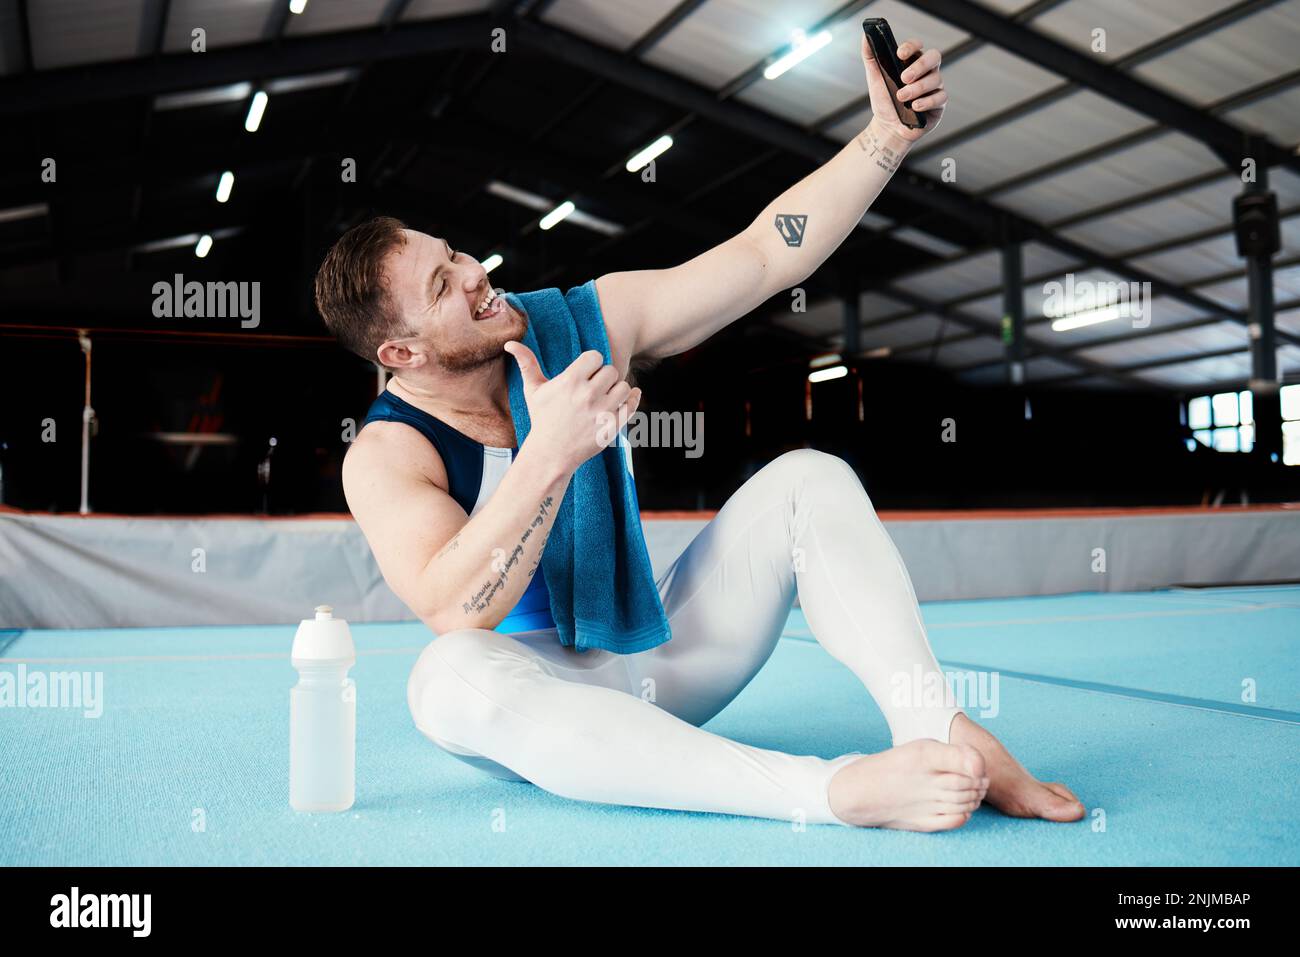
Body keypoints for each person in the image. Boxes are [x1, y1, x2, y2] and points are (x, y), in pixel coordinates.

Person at [314, 35, 1084, 829]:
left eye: (454, 253)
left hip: (658, 663)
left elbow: (760, 258)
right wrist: (548, 454)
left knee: (809, 481)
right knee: (443, 678)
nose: (475, 271)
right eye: (444, 284)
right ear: (400, 353)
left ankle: (938, 727)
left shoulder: (580, 321)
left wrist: (884, 139)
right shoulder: (385, 453)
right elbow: (455, 607)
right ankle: (829, 790)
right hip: (531, 691)